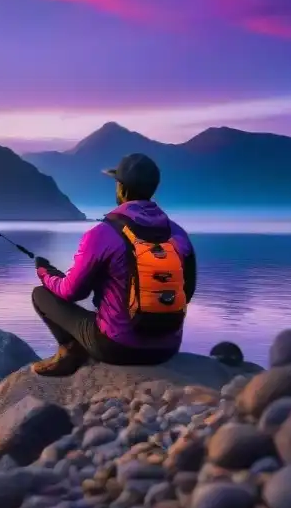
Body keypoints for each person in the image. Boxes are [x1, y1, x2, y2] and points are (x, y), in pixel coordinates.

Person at [30, 152, 197, 377]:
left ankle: (70, 353)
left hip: (117, 348)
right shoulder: (178, 235)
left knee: (41, 294)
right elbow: (187, 291)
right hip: (167, 349)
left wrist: (45, 272)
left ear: (122, 189)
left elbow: (72, 292)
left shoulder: (102, 234)